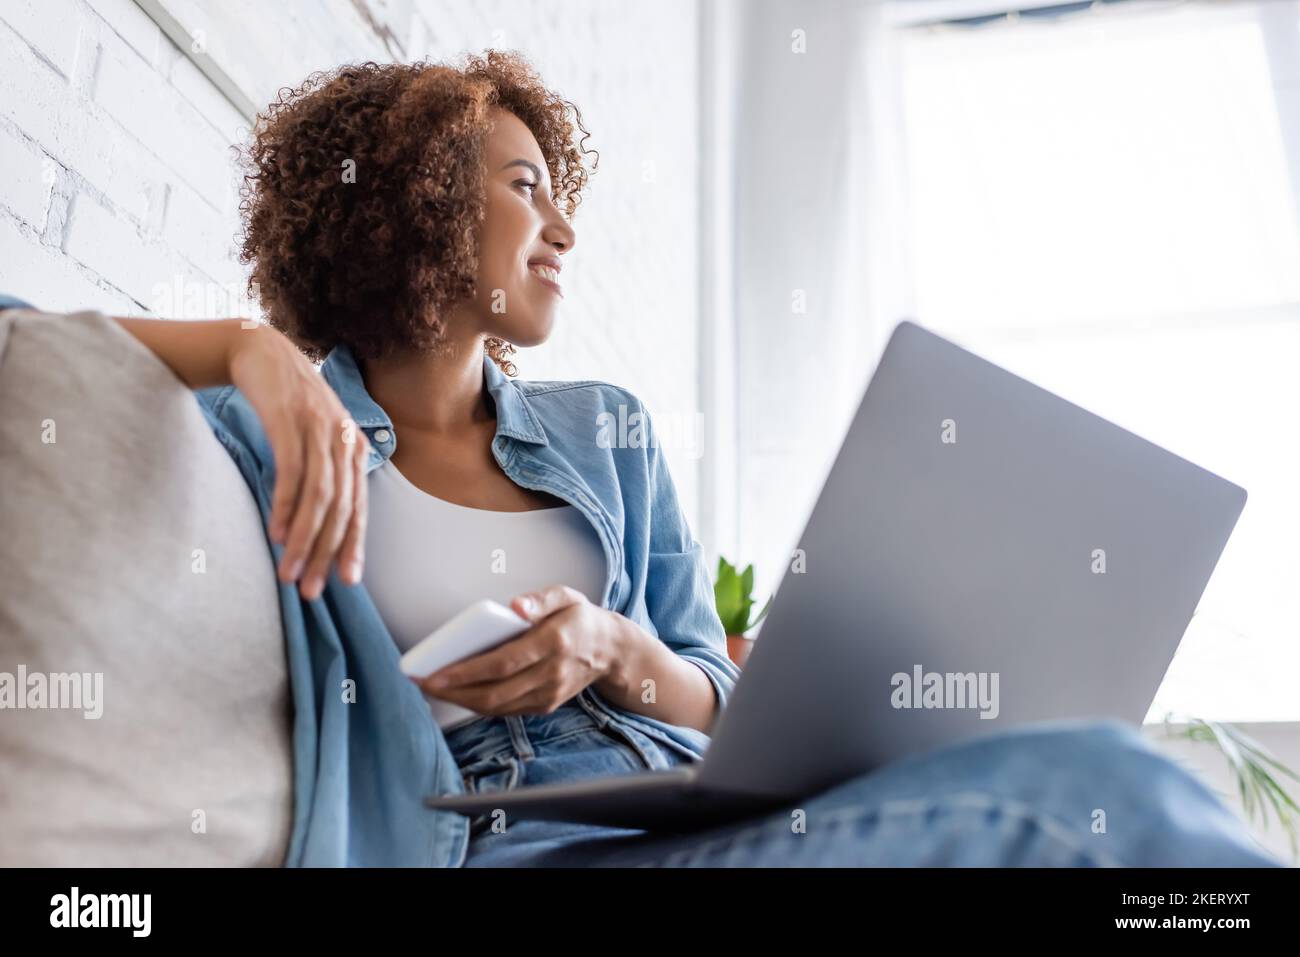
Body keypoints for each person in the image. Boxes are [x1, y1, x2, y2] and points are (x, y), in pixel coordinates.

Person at [17, 51, 1278, 867]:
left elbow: (714, 694)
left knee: (1095, 792)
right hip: (498, 843)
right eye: (522, 184)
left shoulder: (603, 427)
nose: (563, 223)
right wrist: (251, 348)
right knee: (1095, 799)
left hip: (680, 804)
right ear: (413, 202)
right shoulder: (272, 432)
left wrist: (617, 653)